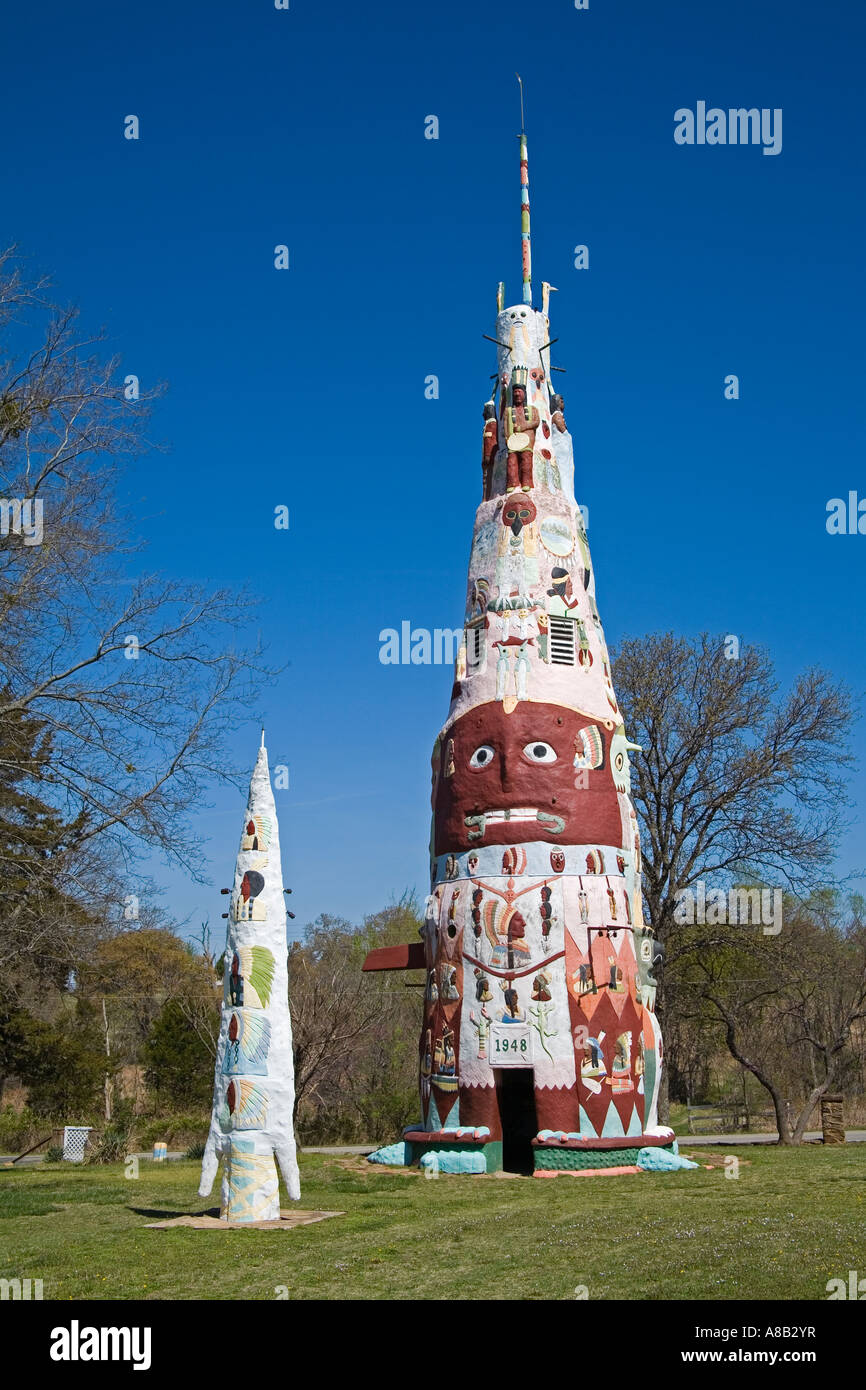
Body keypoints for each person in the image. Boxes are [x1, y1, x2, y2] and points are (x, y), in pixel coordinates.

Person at [504, 370, 539, 492]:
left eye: (519, 391)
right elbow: (505, 424)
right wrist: (507, 437)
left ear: (524, 394)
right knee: (511, 461)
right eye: (515, 392)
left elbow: (536, 422)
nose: (517, 394)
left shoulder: (532, 409)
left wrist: (523, 427)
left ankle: (526, 482)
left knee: (526, 460)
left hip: (527, 439)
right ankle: (512, 482)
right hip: (513, 441)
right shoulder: (508, 411)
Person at [481, 400, 498, 499]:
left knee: (488, 477)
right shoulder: (488, 424)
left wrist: (488, 455)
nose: (483, 413)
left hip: (489, 456)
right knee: (485, 478)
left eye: (485, 411)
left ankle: (487, 496)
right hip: (486, 457)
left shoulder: (492, 424)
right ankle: (485, 496)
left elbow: (491, 441)